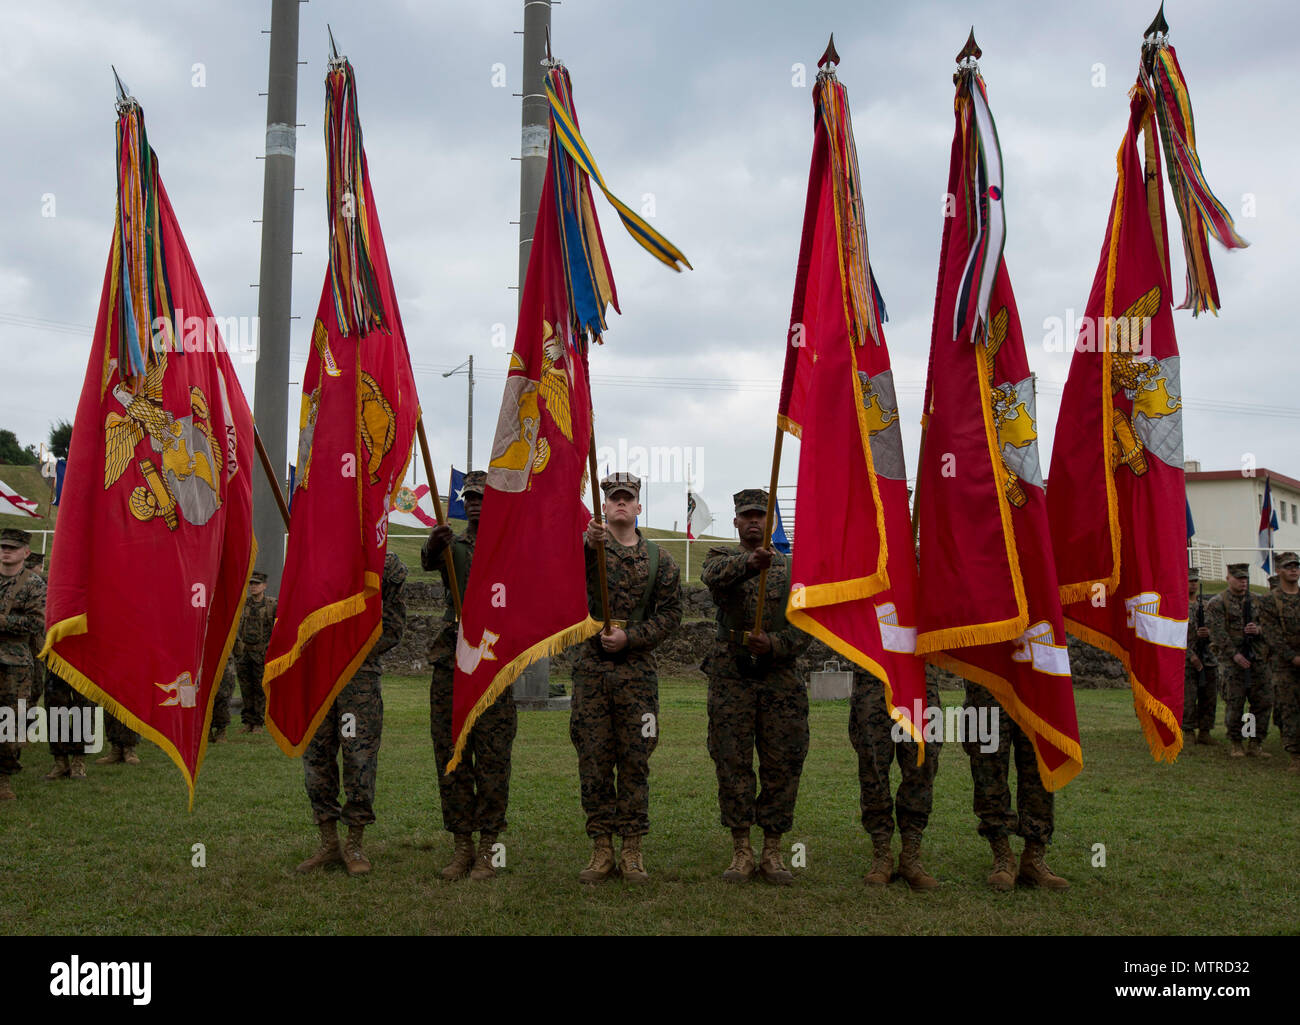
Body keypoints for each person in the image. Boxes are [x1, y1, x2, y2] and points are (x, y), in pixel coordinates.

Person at [570, 472, 682, 884]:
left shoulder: (660, 560)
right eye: (613, 498)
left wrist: (631, 637)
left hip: (637, 676)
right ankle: (601, 848)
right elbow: (558, 579)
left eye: (627, 498)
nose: (620, 503)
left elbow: (671, 615)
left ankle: (632, 849)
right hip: (591, 672)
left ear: (638, 508)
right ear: (603, 507)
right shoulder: (586, 550)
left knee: (635, 760)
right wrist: (587, 545)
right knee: (594, 761)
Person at [701, 489, 811, 886]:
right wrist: (750, 562)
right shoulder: (721, 560)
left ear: (771, 522)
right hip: (731, 675)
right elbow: (712, 578)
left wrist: (777, 645)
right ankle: (741, 849)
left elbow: (807, 625)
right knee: (732, 762)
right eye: (746, 516)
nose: (753, 522)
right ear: (735, 522)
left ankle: (773, 850)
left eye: (759, 516)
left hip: (780, 679)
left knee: (782, 763)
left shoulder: (794, 567)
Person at [422, 470, 517, 881]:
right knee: (452, 753)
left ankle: (489, 847)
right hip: (454, 659)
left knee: (494, 757)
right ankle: (461, 846)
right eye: (469, 497)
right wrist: (431, 544)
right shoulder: (451, 544)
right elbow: (428, 563)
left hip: (495, 658)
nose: (475, 502)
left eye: (482, 497)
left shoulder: (509, 545)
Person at [296, 552, 407, 876]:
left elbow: (395, 627)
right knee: (316, 757)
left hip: (358, 678)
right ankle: (328, 841)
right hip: (318, 674)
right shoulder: (317, 551)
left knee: (359, 759)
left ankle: (354, 843)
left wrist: (350, 648)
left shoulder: (387, 563)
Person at [964, 682, 1067, 890]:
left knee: (1039, 762)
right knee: (988, 762)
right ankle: (1002, 855)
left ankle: (1034, 858)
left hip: (1035, 670)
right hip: (988, 672)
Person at [849, 669, 941, 890]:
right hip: (874, 673)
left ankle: (911, 855)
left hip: (918, 675)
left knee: (922, 763)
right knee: (873, 767)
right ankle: (882, 853)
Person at [0, 528, 46, 800]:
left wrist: (3, 622)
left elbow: (36, 623)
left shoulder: (33, 584)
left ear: (25, 553)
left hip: (15, 665)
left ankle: (3, 778)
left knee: (9, 722)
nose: (6, 551)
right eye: (3, 546)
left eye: (12, 548)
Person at [1207, 563, 1271, 758]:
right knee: (1236, 702)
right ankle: (1236, 742)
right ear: (1229, 578)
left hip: (1257, 659)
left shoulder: (1259, 601)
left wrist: (1258, 630)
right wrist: (1234, 654)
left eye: (1245, 578)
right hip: (1232, 662)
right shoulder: (1218, 602)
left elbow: (1272, 627)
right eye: (1239, 578)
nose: (1243, 582)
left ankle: (1254, 741)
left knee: (1261, 701)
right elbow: (1217, 633)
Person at [1259, 551, 1300, 773]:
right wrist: (1293, 657)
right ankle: (1295, 754)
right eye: (1288, 566)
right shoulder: (1269, 600)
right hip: (1284, 664)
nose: (1293, 569)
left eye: (1296, 565)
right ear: (1279, 570)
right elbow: (1271, 634)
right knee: (1289, 708)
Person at [235, 571, 276, 734]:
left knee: (260, 689)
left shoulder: (272, 605)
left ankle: (258, 722)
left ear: (264, 586)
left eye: (257, 584)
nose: (253, 587)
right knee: (246, 688)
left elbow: (279, 627)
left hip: (261, 654)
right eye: (251, 584)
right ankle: (248, 722)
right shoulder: (243, 604)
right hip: (245, 654)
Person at [1184, 567, 1218, 746]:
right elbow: (1175, 635)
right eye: (1190, 581)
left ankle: (1205, 730)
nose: (1193, 584)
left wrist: (1208, 633)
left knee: (1209, 696)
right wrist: (1190, 656)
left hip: (1207, 657)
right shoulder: (1178, 605)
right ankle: (1188, 729)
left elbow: (1216, 629)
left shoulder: (1206, 606)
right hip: (1188, 658)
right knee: (1189, 697)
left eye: (1195, 581)